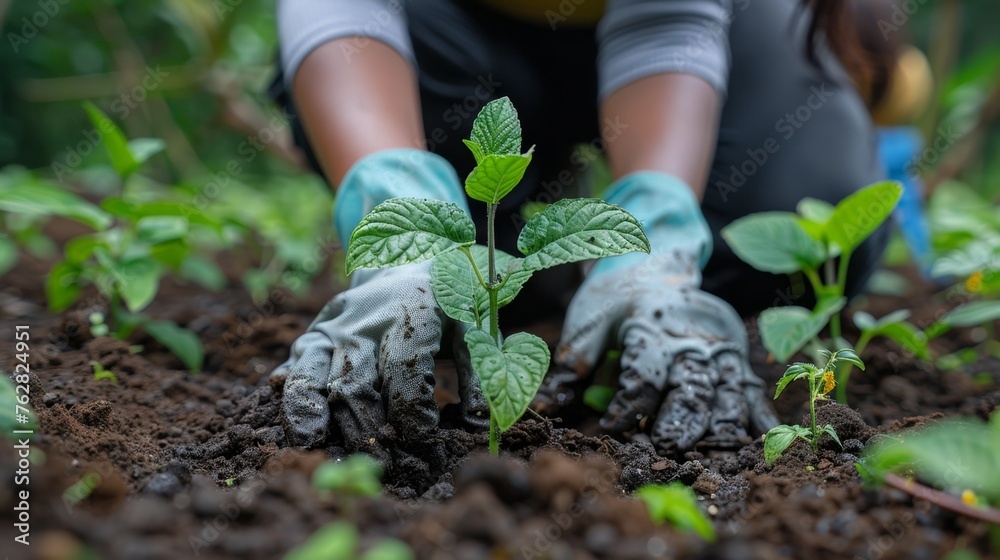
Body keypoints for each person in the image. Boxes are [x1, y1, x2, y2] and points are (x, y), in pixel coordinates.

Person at [268, 0, 889, 463]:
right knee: (448, 202)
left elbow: (668, 20)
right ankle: (501, 279)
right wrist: (403, 228)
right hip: (453, 31)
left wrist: (655, 243)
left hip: (702, 35)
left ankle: (616, 299)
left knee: (815, 201)